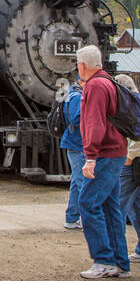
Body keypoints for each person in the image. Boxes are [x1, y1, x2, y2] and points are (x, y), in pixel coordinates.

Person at [74, 45, 130, 280]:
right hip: (115, 151)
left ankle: (104, 259)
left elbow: (94, 123)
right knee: (109, 207)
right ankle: (120, 262)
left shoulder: (95, 86)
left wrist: (90, 157)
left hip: (105, 154)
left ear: (82, 66)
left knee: (87, 203)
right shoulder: (108, 80)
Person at [116, 74, 140, 263]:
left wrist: (129, 157)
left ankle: (116, 255)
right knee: (139, 208)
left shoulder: (131, 105)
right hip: (139, 160)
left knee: (118, 207)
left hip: (131, 162)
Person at [60, 78, 86, 229]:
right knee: (83, 182)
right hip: (77, 142)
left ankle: (72, 217)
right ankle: (85, 217)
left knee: (77, 181)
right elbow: (76, 118)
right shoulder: (77, 97)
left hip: (76, 142)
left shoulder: (73, 95)